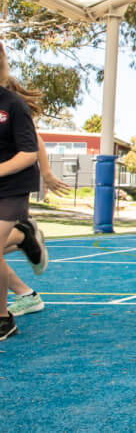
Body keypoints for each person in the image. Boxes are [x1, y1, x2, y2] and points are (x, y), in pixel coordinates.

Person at [5, 131, 70, 317]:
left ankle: (23, 236)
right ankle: (26, 294)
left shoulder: (12, 114)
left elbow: (33, 136)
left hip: (10, 181)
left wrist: (46, 172)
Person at [0, 42, 41, 340]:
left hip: (12, 187)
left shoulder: (13, 104)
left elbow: (30, 152)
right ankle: (23, 237)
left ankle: (4, 319)